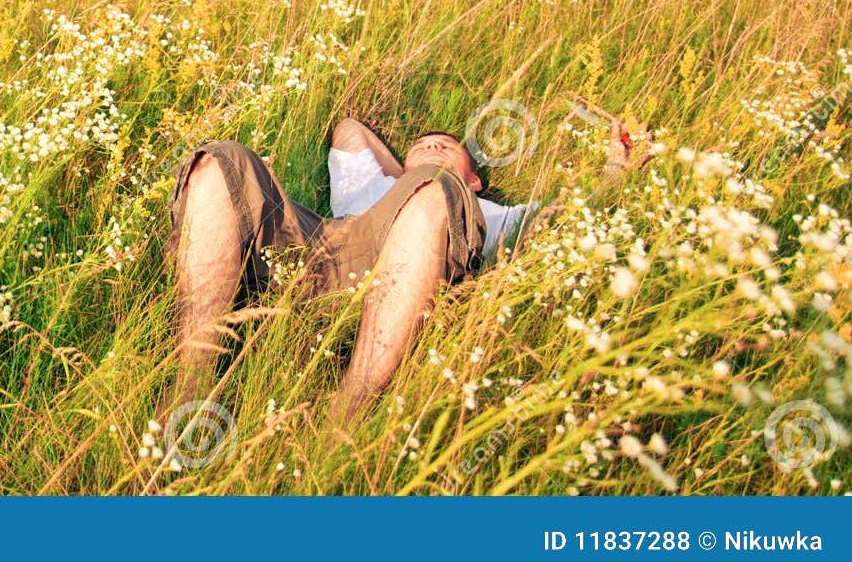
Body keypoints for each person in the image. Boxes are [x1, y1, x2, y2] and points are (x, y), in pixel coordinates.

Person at [167, 115, 641, 424]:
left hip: (410, 269)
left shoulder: (494, 213)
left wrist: (618, 167)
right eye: (424, 143)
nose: (434, 144)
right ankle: (190, 386)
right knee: (221, 159)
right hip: (328, 246)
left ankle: (344, 416)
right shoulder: (371, 182)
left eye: (448, 146)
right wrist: (402, 178)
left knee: (434, 185)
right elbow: (350, 129)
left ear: (476, 180)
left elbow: (578, 212)